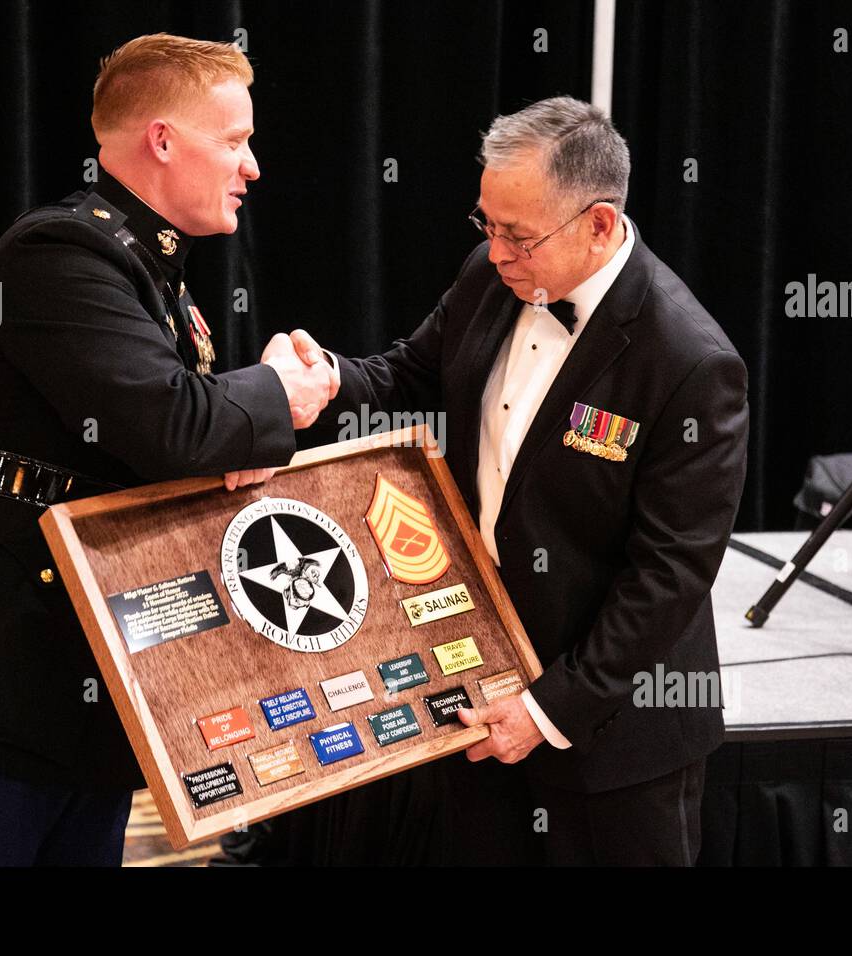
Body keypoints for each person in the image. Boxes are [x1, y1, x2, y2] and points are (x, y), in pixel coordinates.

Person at [0, 33, 337, 867]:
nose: (251, 167)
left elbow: (178, 441)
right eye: (234, 141)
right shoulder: (61, 254)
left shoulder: (144, 263)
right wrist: (274, 394)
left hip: (87, 692)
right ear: (162, 140)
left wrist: (249, 416)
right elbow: (174, 429)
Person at [274, 96, 748, 865]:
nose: (496, 253)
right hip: (479, 688)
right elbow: (413, 372)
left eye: (519, 237)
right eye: (486, 227)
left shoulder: (691, 362)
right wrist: (327, 378)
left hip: (612, 739)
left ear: (599, 225)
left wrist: (545, 708)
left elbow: (667, 578)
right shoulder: (496, 273)